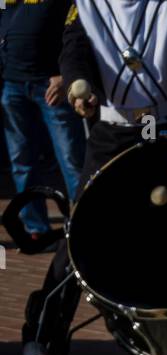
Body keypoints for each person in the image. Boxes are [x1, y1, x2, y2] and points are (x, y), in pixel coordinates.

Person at [20, 0, 167, 355]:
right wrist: (82, 87)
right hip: (111, 133)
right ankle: (43, 336)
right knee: (80, 236)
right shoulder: (87, 6)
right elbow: (74, 51)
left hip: (165, 128)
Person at [0, 0, 86, 238]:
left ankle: (85, 227)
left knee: (72, 160)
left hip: (51, 85)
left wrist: (65, 76)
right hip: (12, 84)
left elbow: (81, 29)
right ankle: (35, 228)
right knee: (21, 161)